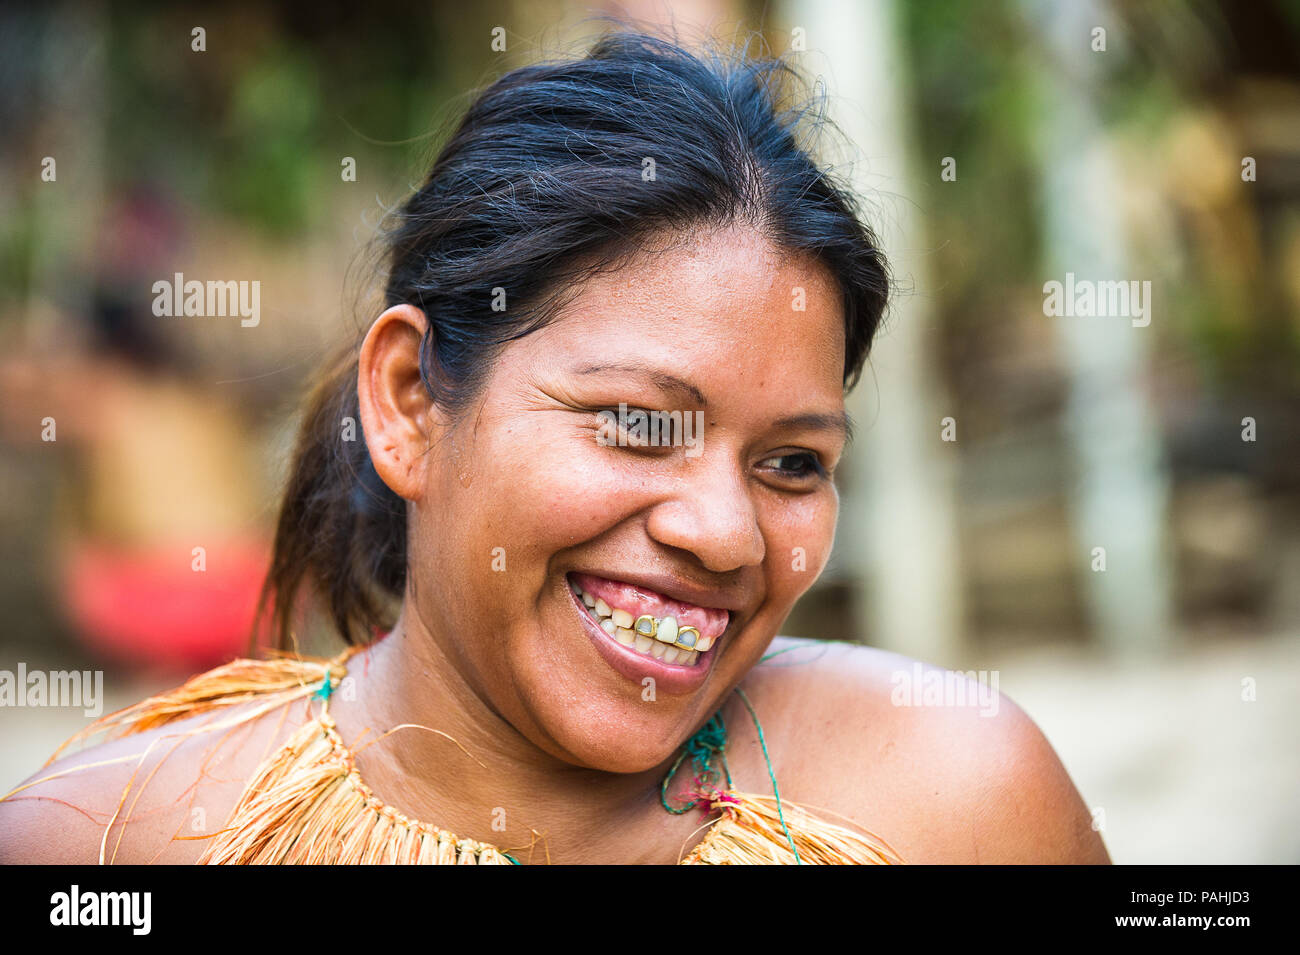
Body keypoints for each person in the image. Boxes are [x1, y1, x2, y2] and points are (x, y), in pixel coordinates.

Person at [0, 30, 1110, 865]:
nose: (726, 535)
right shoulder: (111, 843)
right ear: (409, 404)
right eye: (638, 423)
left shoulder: (951, 799)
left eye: (791, 463)